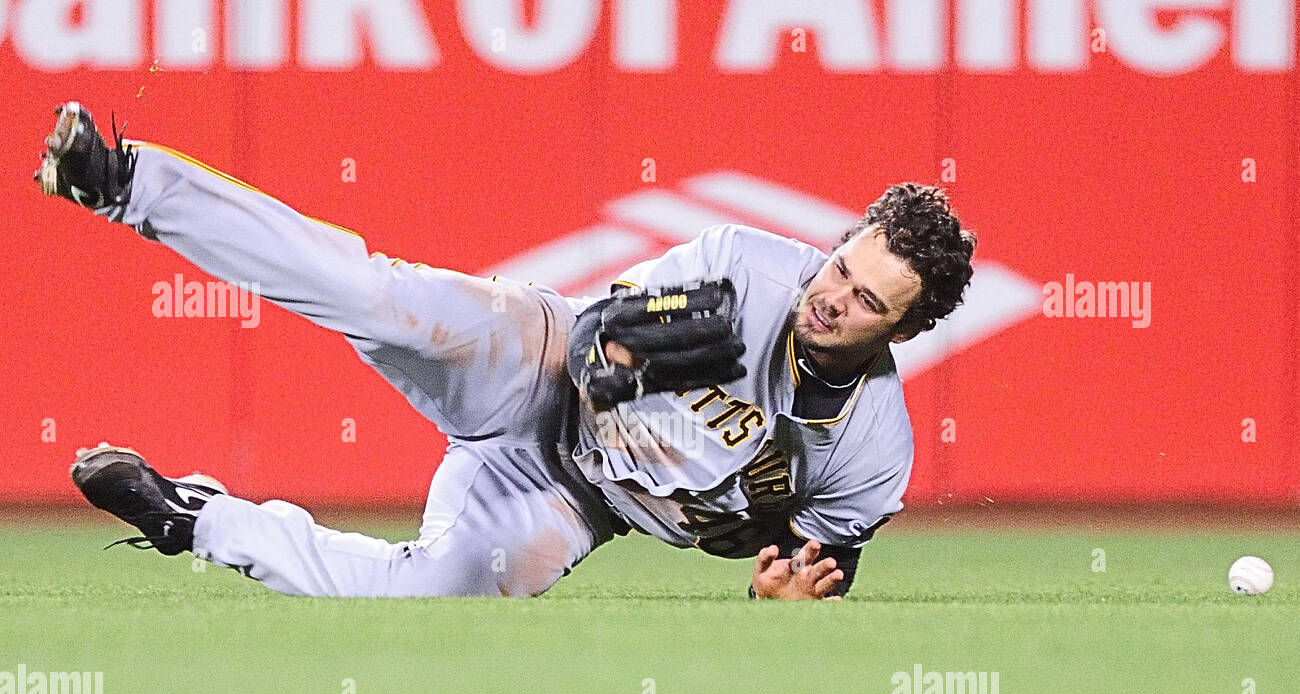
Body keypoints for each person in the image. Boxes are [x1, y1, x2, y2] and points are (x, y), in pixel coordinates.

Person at [37, 101, 975, 601]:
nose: (832, 296)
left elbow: (825, 559)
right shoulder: (755, 270)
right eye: (844, 264)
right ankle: (126, 182)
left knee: (433, 594)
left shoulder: (872, 451)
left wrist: (791, 590)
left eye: (865, 302)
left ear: (903, 331)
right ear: (843, 238)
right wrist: (617, 351)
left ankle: (193, 521)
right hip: (539, 365)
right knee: (378, 298)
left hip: (573, 501)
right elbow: (607, 332)